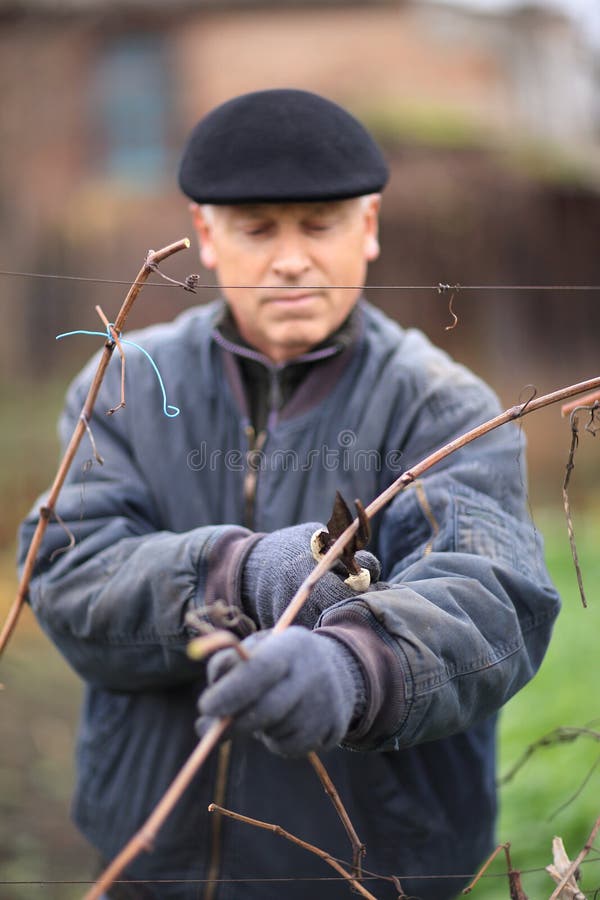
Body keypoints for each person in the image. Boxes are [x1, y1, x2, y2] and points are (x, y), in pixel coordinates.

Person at [20, 89, 560, 900]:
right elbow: (66, 571)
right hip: (152, 861)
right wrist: (233, 575)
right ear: (206, 235)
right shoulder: (124, 382)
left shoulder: (441, 405)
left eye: (320, 224)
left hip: (366, 872)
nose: (291, 259)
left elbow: (495, 600)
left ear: (369, 227)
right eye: (257, 228)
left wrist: (355, 668)